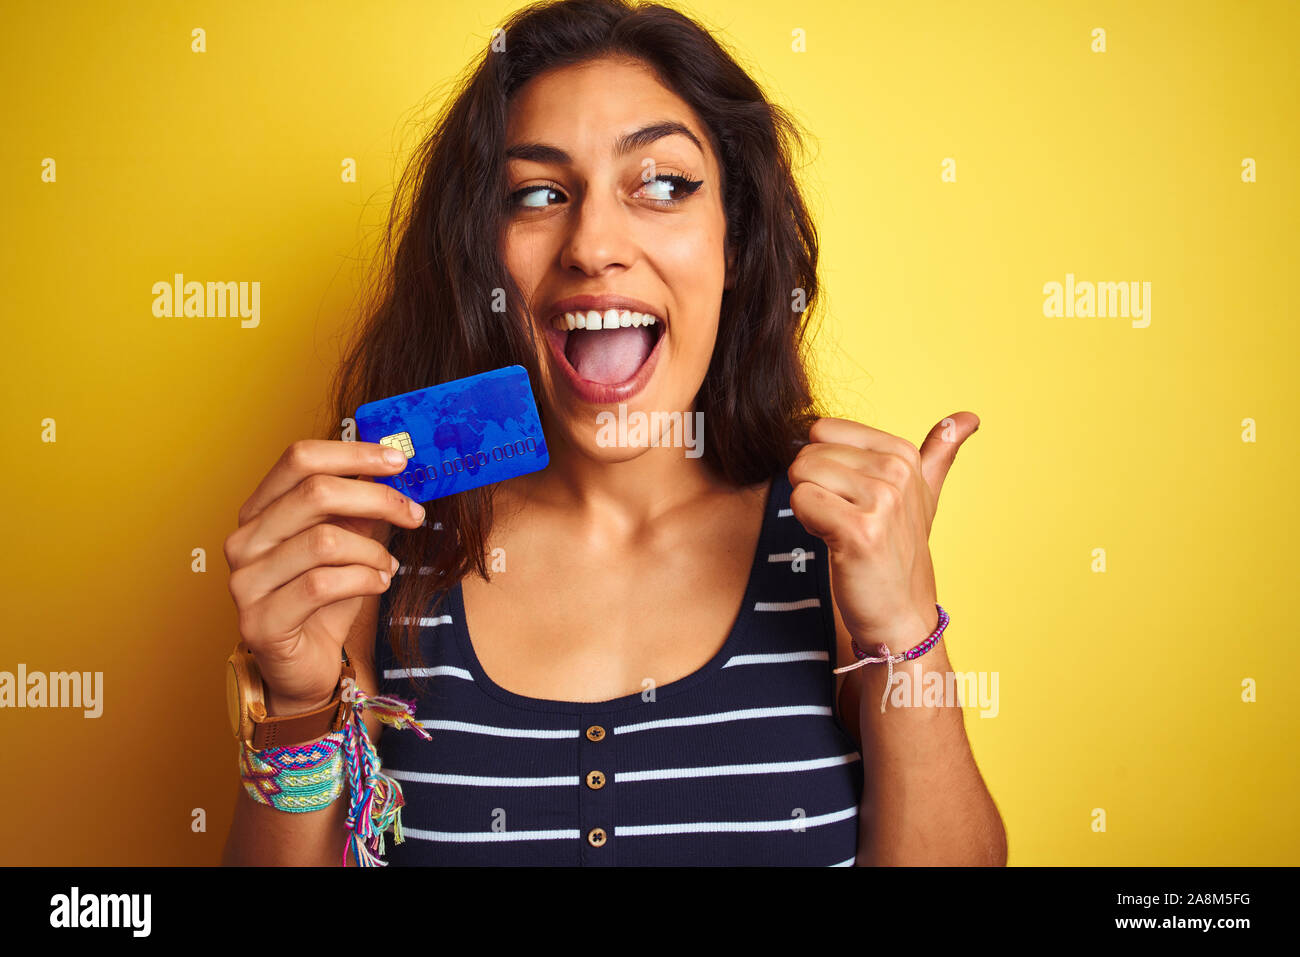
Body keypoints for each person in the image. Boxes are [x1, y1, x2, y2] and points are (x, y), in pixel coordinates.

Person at [222, 0, 1006, 866]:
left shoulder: (832, 543)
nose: (593, 243)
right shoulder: (387, 552)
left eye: (663, 184)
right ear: (483, 256)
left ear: (734, 241)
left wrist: (906, 629)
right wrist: (295, 702)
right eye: (538, 194)